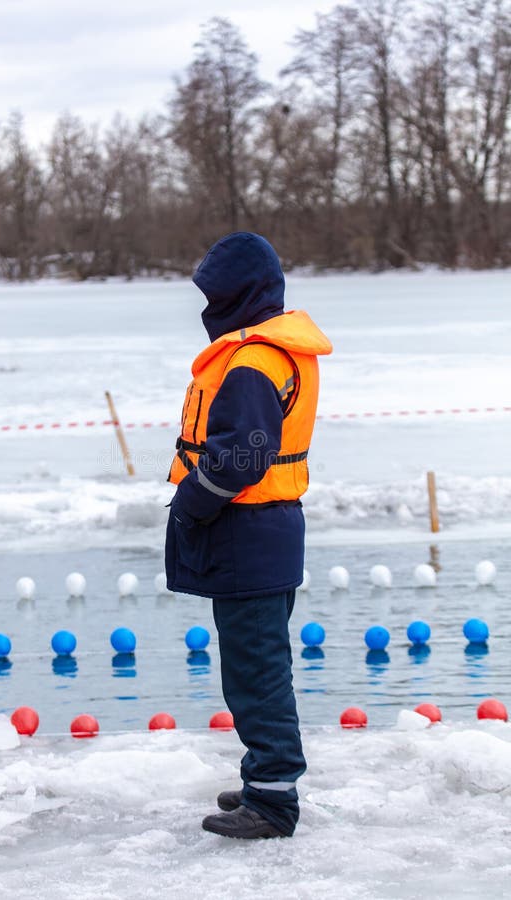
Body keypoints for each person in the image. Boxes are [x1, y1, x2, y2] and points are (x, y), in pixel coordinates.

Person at [165, 232, 332, 839]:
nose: (207, 307)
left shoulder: (253, 362)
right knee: (255, 665)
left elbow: (244, 456)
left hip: (247, 533)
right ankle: (264, 777)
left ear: (239, 294)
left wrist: (192, 504)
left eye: (214, 294)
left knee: (256, 670)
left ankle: (274, 801)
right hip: (263, 531)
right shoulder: (269, 350)